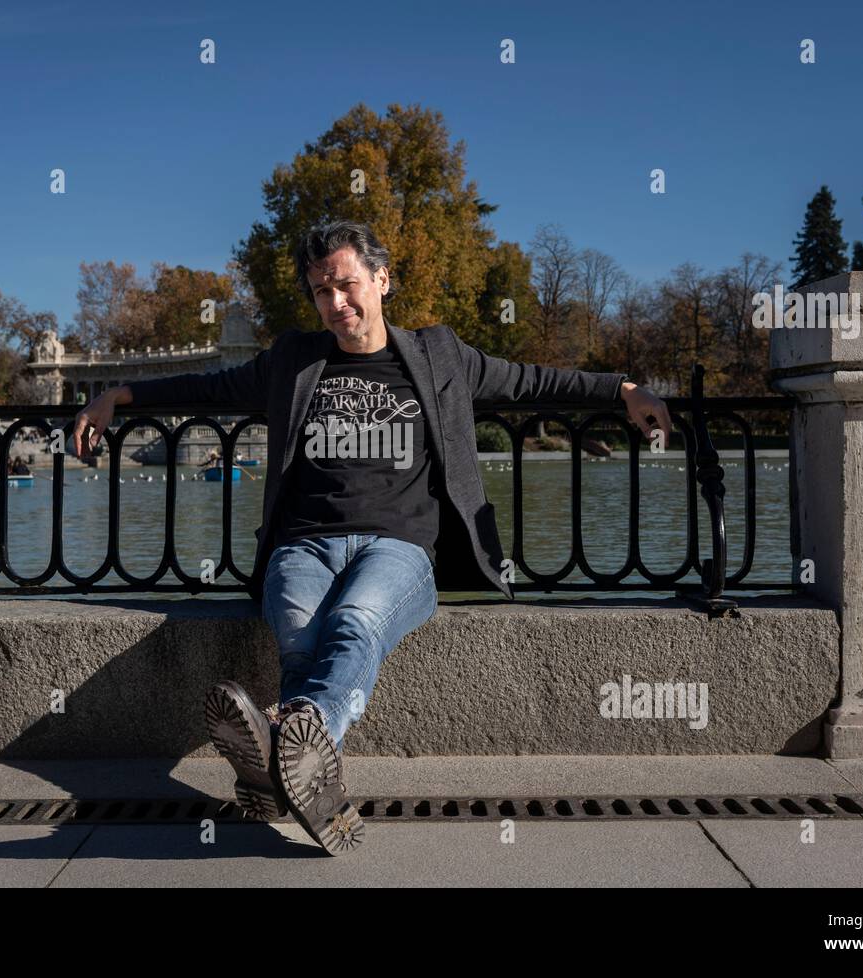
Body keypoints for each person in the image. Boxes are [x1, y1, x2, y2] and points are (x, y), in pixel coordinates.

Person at [71, 220, 672, 856]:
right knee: (301, 640)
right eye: (321, 291)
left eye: (347, 285)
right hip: (302, 544)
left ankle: (280, 754)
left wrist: (623, 389)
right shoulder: (294, 361)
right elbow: (206, 387)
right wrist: (118, 394)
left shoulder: (440, 355)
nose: (336, 304)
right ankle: (302, 778)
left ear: (382, 281)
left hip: (400, 548)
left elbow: (531, 381)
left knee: (356, 622)